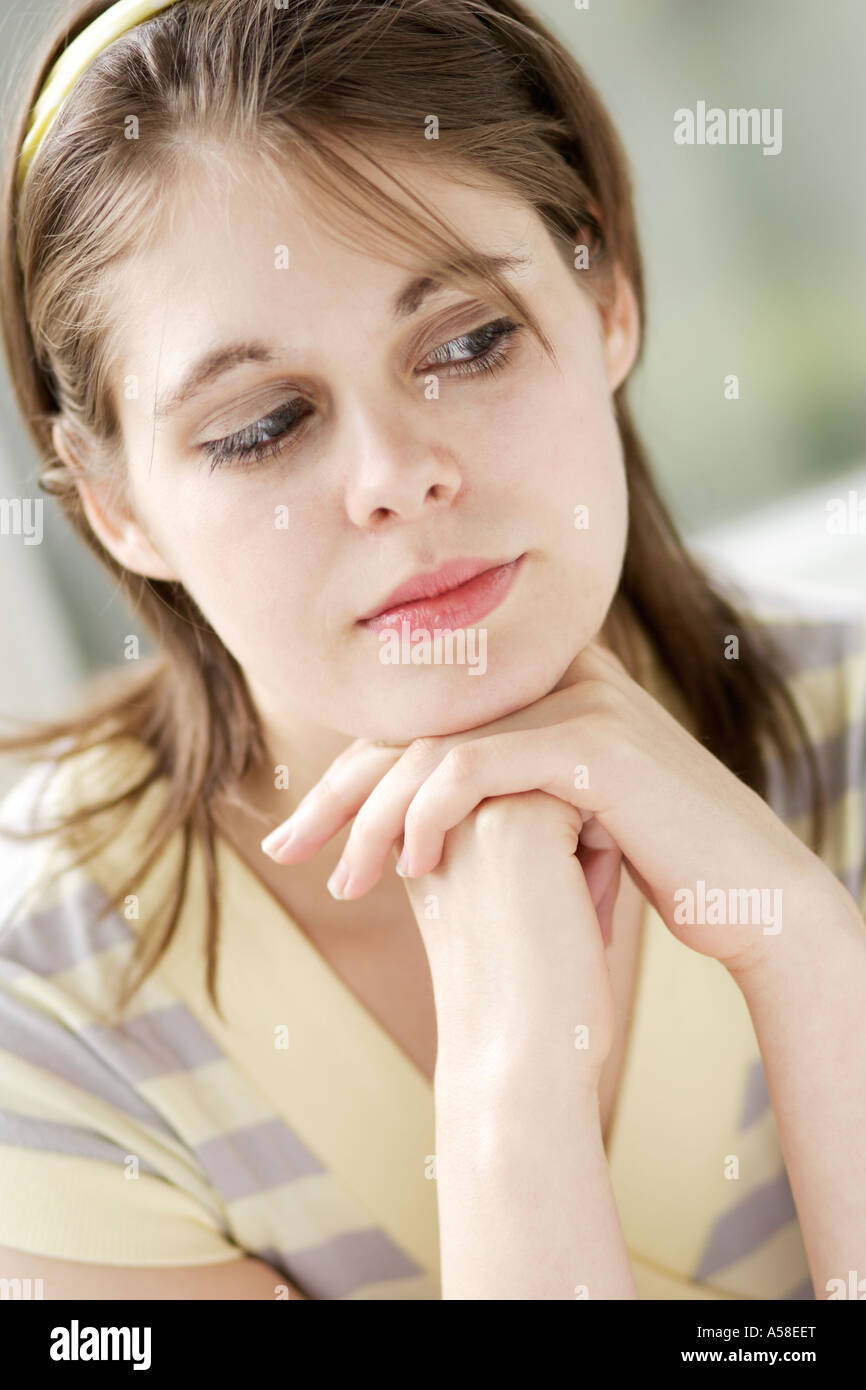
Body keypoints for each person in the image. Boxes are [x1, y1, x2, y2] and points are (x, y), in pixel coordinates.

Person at [0, 0, 863, 1302]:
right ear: (113, 504)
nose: (399, 476)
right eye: (263, 423)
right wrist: (510, 1088)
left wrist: (803, 946)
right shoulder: (45, 1017)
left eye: (466, 341)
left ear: (605, 293)